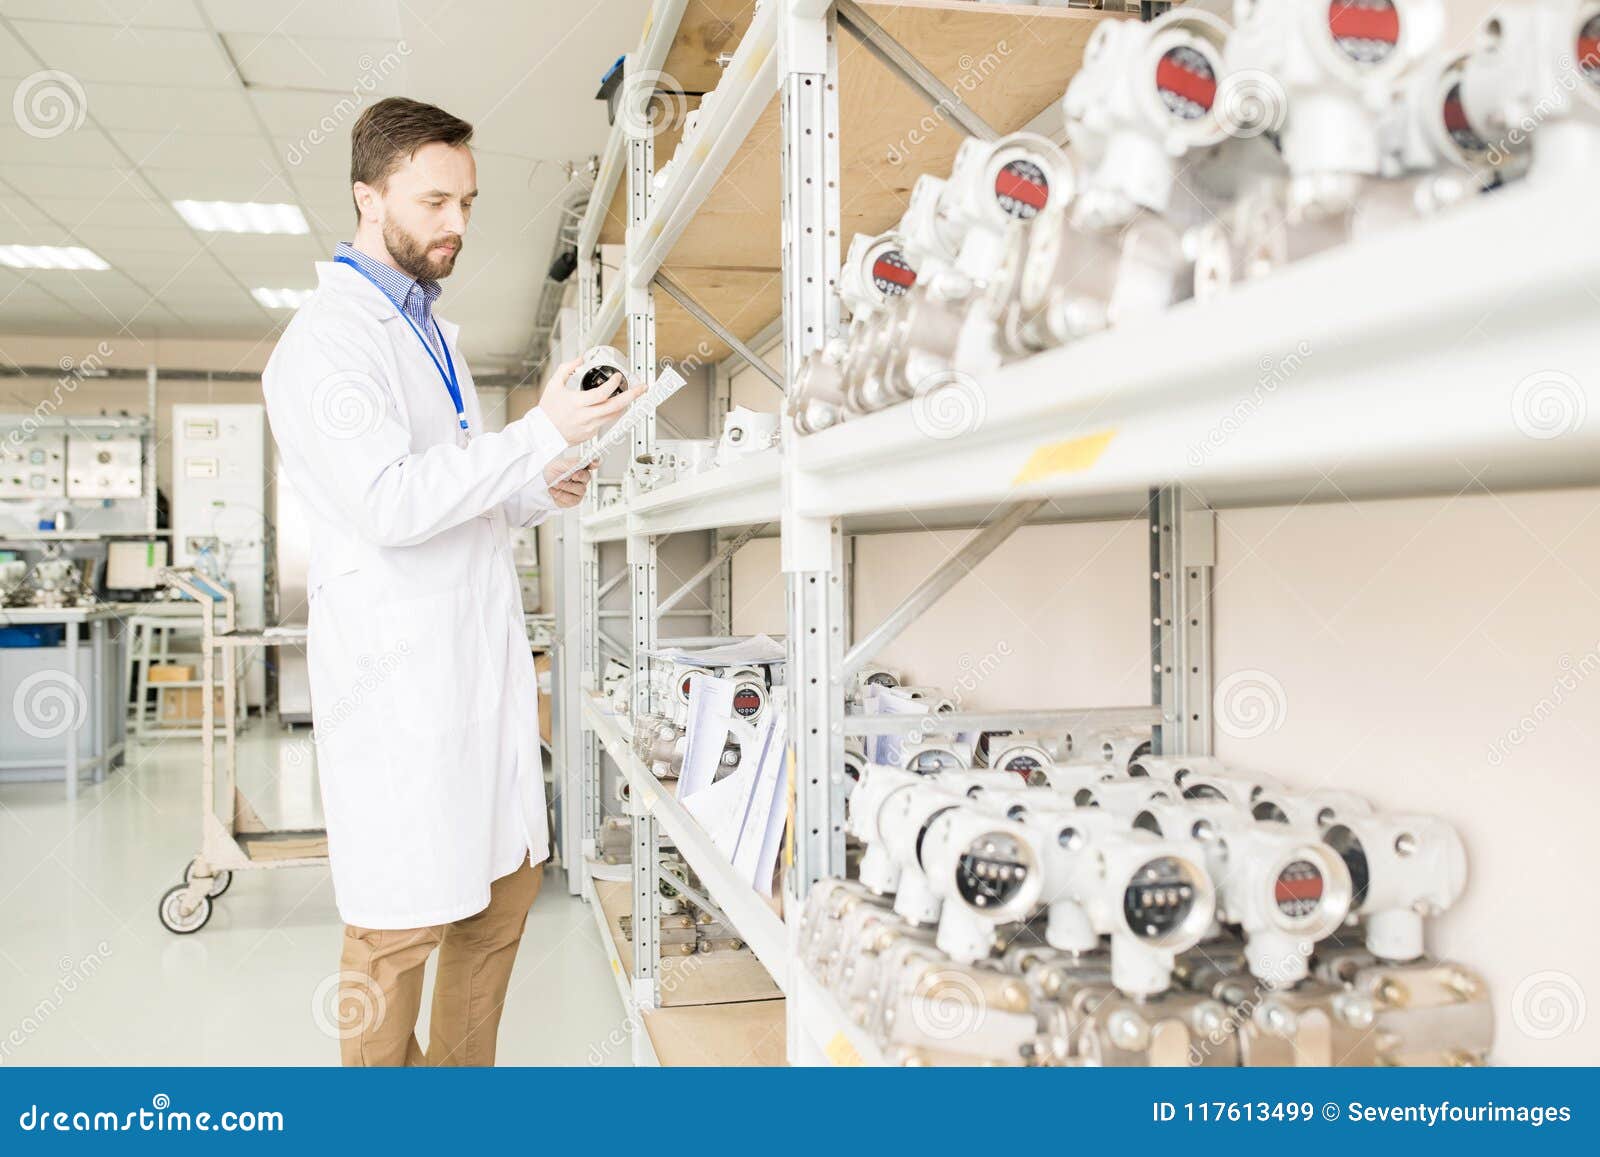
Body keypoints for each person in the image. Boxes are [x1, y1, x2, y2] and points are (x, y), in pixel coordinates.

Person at [262, 96, 642, 1066]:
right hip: (403, 695)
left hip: (478, 680)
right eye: (434, 201)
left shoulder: (432, 332)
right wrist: (535, 435)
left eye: (467, 202)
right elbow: (388, 503)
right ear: (366, 194)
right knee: (396, 932)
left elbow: (455, 492)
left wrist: (535, 483)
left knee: (498, 905)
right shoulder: (325, 344)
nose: (457, 225)